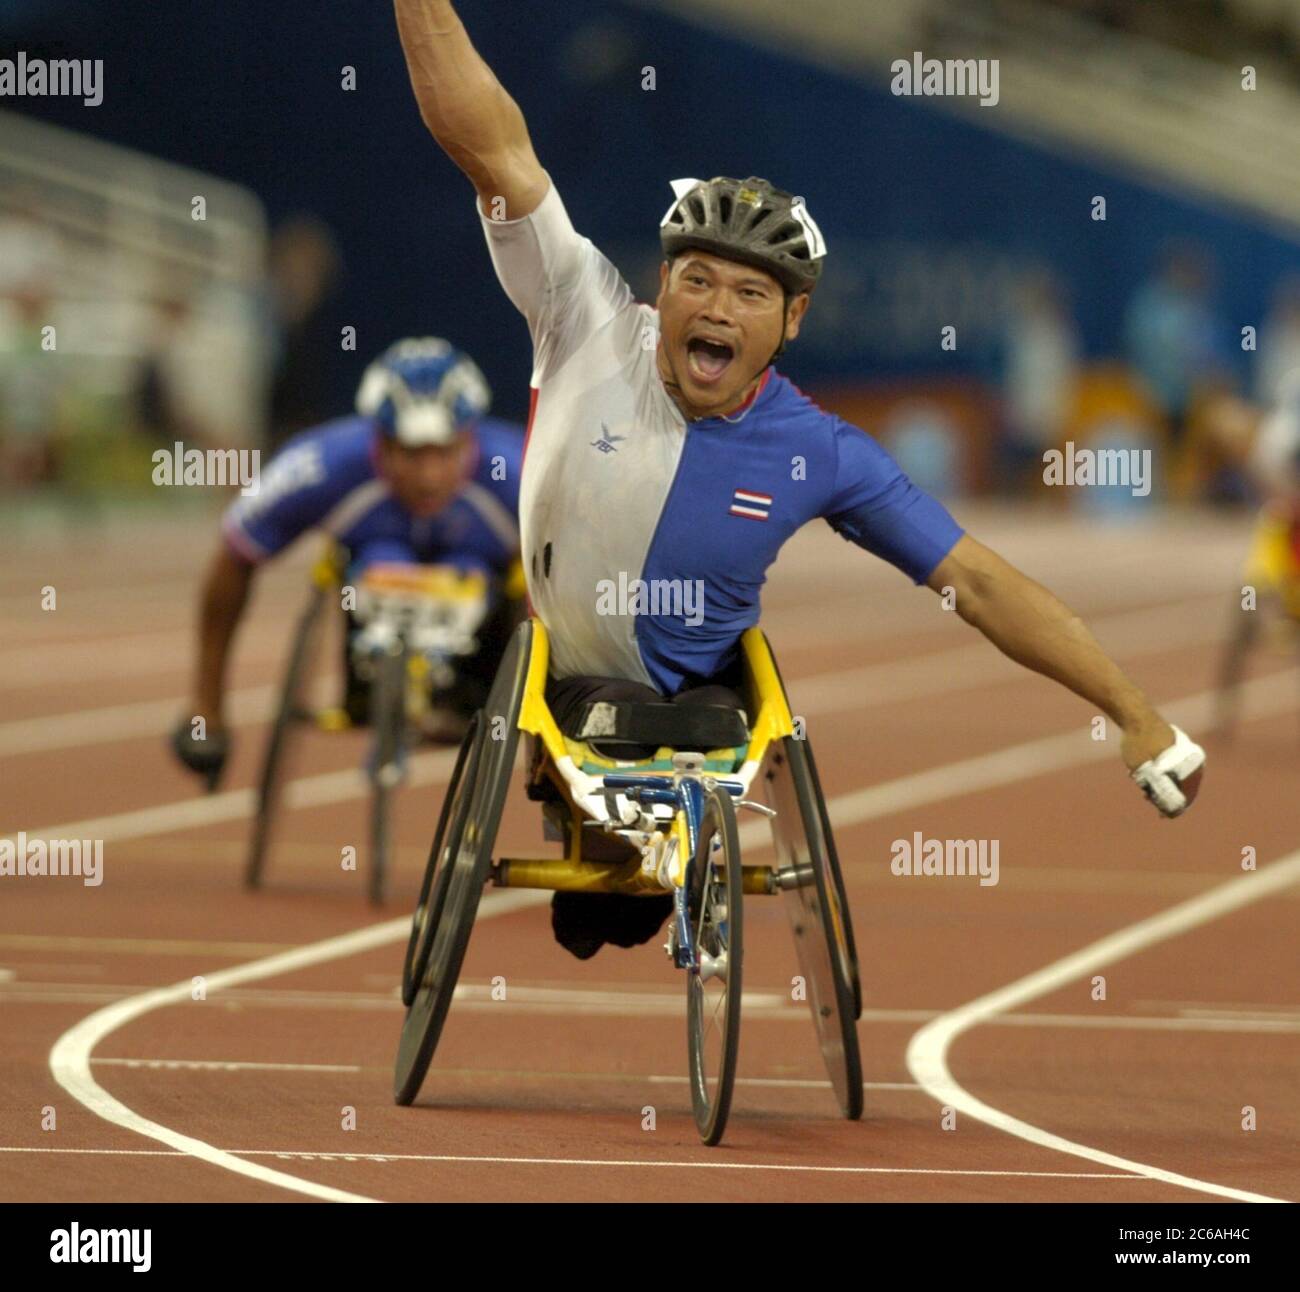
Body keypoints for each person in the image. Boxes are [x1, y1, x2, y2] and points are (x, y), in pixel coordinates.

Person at [393, 1, 1206, 960]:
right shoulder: (583, 315)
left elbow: (978, 583)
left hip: (697, 709)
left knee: (609, 912)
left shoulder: (821, 451)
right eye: (697, 279)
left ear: (793, 321)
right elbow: (492, 147)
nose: (716, 307)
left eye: (749, 293)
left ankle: (641, 868)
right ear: (661, 288)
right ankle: (584, 817)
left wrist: (1134, 714)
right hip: (557, 683)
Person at [170, 336, 523, 788]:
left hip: (484, 606)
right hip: (369, 585)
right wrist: (208, 706)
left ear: (471, 436)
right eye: (411, 454)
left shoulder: (519, 468)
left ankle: (455, 684)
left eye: (445, 452)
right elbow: (236, 551)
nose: (429, 476)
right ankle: (381, 683)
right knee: (380, 558)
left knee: (500, 570)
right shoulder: (320, 465)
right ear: (378, 439)